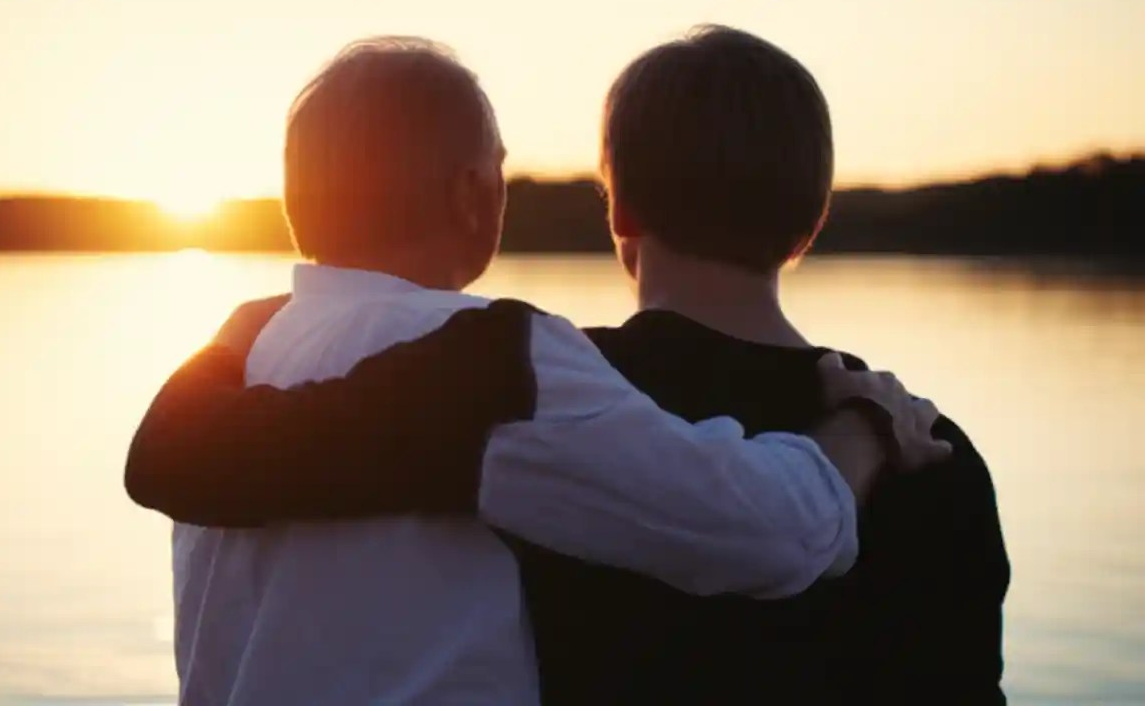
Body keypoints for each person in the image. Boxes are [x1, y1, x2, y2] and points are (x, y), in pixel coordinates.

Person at [127, 36, 949, 705]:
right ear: (473, 195)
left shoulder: (240, 361)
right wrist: (867, 425)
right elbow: (769, 532)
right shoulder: (500, 362)